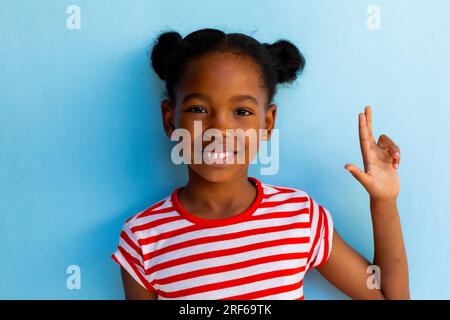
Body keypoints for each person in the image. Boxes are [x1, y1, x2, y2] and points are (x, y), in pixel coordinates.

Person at [112, 28, 409, 300]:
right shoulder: (143, 239)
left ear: (267, 124)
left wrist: (384, 201)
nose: (220, 129)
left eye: (241, 111)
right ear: (169, 119)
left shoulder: (301, 218)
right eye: (199, 109)